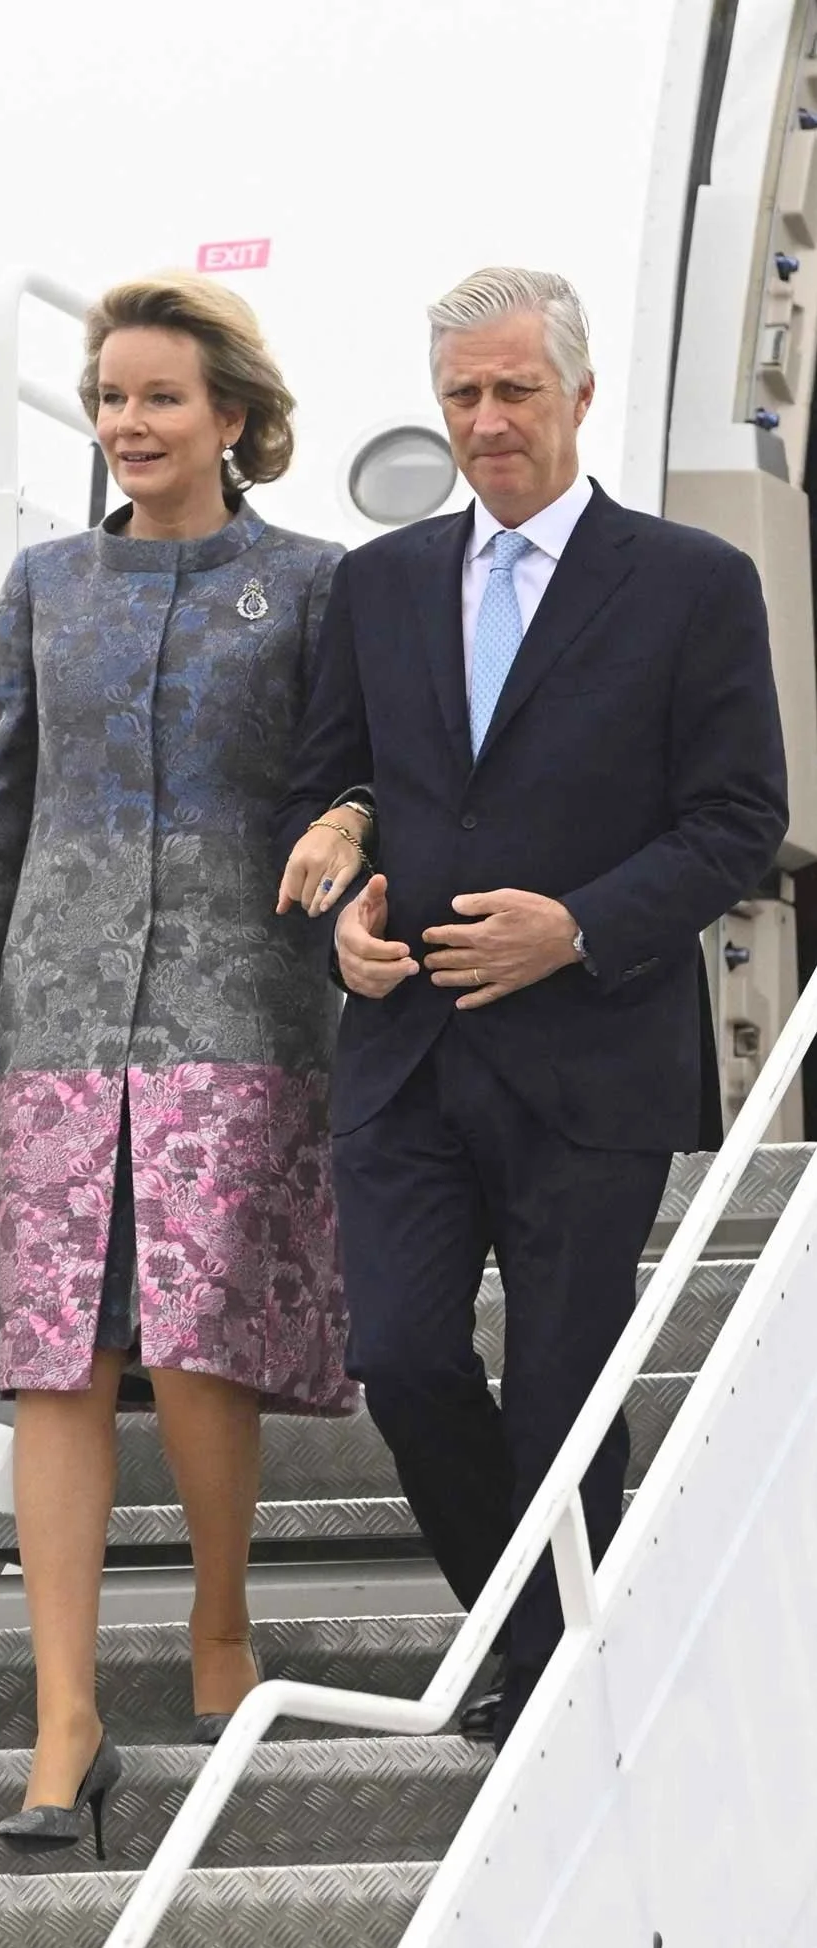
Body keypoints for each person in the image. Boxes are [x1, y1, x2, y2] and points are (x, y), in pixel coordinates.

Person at [277, 266, 788, 1749]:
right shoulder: (377, 584)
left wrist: (577, 929)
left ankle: (549, 1688)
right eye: (462, 395)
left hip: (594, 1059)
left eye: (515, 389)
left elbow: (739, 818)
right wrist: (341, 917)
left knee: (565, 1394)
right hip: (407, 1052)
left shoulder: (693, 582)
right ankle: (542, 1645)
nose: (488, 420)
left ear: (579, 393)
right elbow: (333, 783)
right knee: (401, 1357)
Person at [0, 272, 364, 1855]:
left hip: (242, 1008)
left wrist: (353, 841)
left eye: (160, 396)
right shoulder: (47, 586)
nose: (128, 422)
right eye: (110, 396)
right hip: (59, 1019)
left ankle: (221, 1634)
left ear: (230, 416)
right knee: (54, 1361)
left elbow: (359, 773)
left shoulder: (311, 586)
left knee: (200, 1341)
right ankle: (65, 1723)